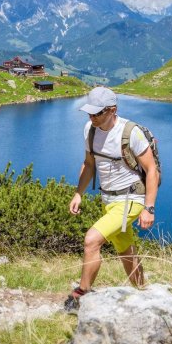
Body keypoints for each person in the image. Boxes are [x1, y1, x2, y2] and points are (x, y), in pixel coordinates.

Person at [64, 87, 159, 313]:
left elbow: (151, 170)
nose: (92, 117)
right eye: (90, 112)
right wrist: (78, 193)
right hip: (108, 199)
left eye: (97, 113)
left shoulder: (131, 133)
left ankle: (81, 294)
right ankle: (144, 291)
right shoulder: (90, 129)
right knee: (125, 249)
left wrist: (149, 208)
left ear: (112, 110)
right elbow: (89, 164)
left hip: (131, 198)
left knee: (92, 240)